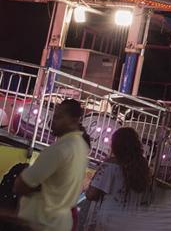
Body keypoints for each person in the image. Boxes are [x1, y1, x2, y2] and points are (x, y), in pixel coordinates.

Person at [15, 98, 89, 231]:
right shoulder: (81, 146)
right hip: (60, 223)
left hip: (42, 222)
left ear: (74, 121)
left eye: (59, 117)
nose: (53, 121)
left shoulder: (61, 148)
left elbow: (22, 185)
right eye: (54, 116)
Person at [83, 127, 152, 227]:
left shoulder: (110, 165)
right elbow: (145, 201)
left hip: (107, 221)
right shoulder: (143, 168)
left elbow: (91, 194)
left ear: (116, 145)